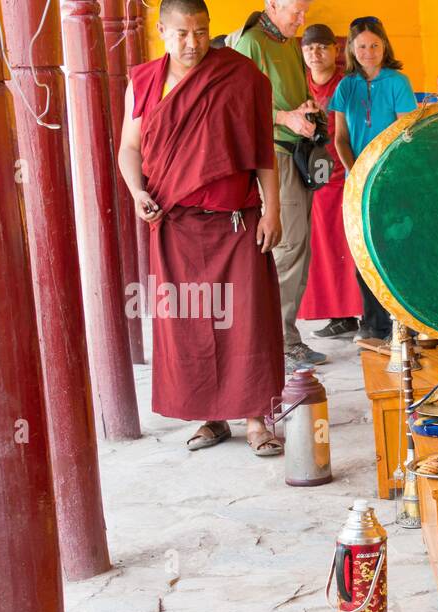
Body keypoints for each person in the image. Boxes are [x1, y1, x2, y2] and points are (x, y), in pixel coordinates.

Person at [118, 0, 284, 456]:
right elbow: (129, 149)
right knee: (192, 322)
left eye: (201, 31)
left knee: (246, 322)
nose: (193, 43)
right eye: (182, 33)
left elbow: (261, 150)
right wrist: (137, 192)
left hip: (235, 223)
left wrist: (273, 211)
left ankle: (255, 420)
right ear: (161, 31)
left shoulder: (238, 75)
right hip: (176, 225)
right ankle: (211, 417)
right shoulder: (144, 82)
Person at [230, 0, 327, 370]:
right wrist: (285, 117)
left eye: (305, 13)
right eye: (296, 12)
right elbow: (236, 105)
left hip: (298, 153)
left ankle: (286, 335)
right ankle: (277, 341)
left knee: (299, 249)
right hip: (274, 158)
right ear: (272, 4)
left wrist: (307, 109)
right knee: (287, 249)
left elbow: (289, 95)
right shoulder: (252, 43)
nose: (302, 21)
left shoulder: (286, 43)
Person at [329, 16, 417, 342]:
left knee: (395, 250)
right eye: (362, 46)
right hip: (357, 181)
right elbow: (340, 137)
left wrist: (382, 174)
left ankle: (406, 323)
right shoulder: (345, 86)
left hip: (391, 180)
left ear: (385, 46)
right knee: (363, 253)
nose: (368, 52)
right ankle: (374, 326)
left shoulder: (398, 82)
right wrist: (356, 172)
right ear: (352, 48)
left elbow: (404, 135)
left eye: (375, 45)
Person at [297, 24, 362, 340]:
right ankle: (340, 314)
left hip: (346, 175)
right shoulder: (298, 85)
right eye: (309, 48)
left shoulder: (347, 85)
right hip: (314, 179)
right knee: (324, 249)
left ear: (336, 51)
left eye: (323, 46)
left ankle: (362, 311)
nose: (316, 53)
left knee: (350, 246)